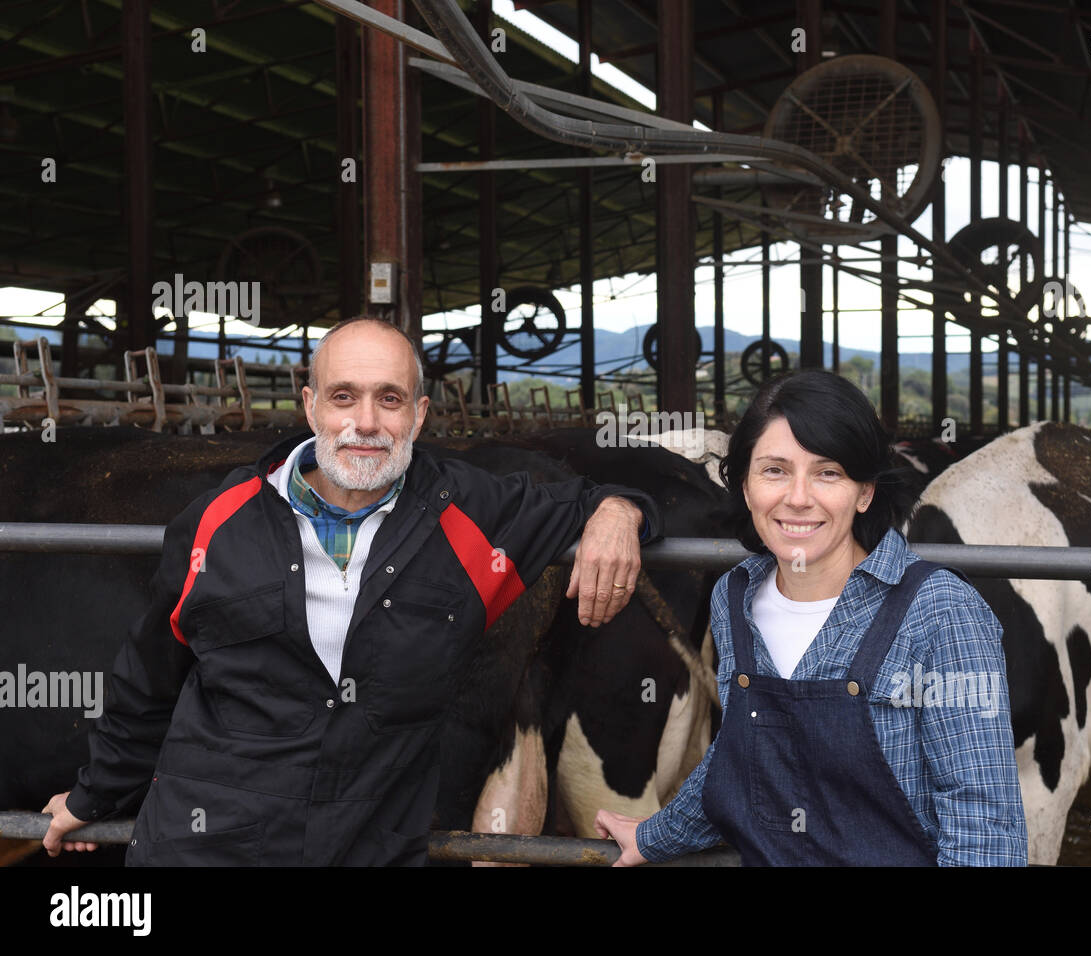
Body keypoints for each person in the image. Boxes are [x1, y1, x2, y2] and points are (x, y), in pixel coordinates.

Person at [41, 316, 661, 866]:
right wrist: (95, 795)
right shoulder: (217, 521)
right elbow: (148, 680)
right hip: (204, 842)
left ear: (418, 414)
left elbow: (609, 495)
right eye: (344, 397)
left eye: (389, 400)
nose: (366, 423)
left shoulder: (470, 513)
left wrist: (617, 515)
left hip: (369, 844)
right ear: (310, 408)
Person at [595, 369, 1027, 866]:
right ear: (744, 485)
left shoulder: (939, 612)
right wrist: (655, 837)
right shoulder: (734, 599)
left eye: (828, 473)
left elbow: (985, 831)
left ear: (864, 492)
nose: (798, 497)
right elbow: (742, 755)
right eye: (774, 470)